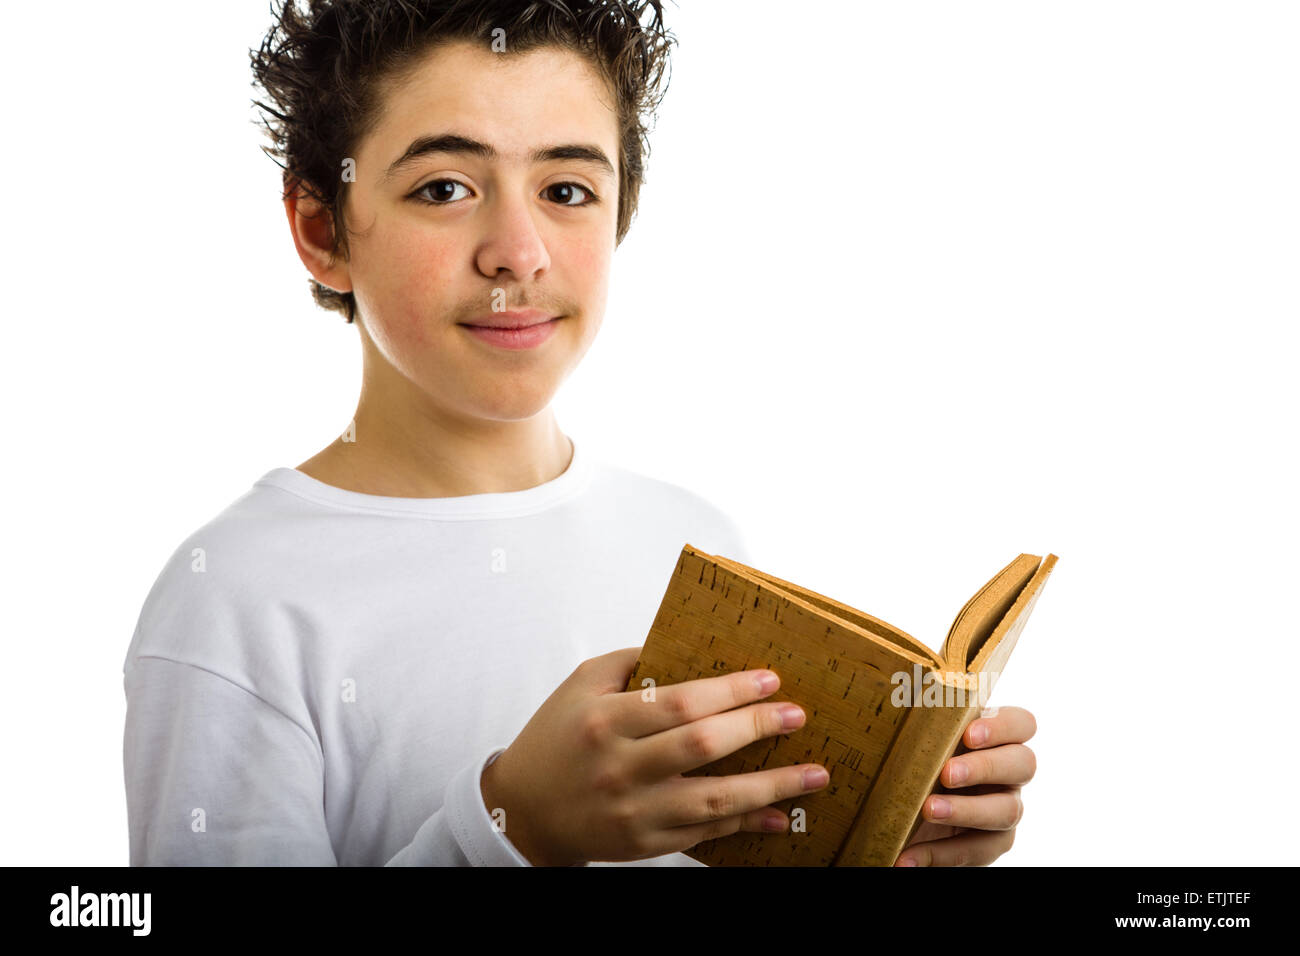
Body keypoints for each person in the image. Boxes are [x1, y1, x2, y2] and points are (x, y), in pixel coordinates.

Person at [123, 0, 1036, 867]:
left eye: (566, 188)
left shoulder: (699, 545)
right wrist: (515, 829)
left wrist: (896, 833)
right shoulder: (233, 602)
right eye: (444, 187)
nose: (519, 251)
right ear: (323, 230)